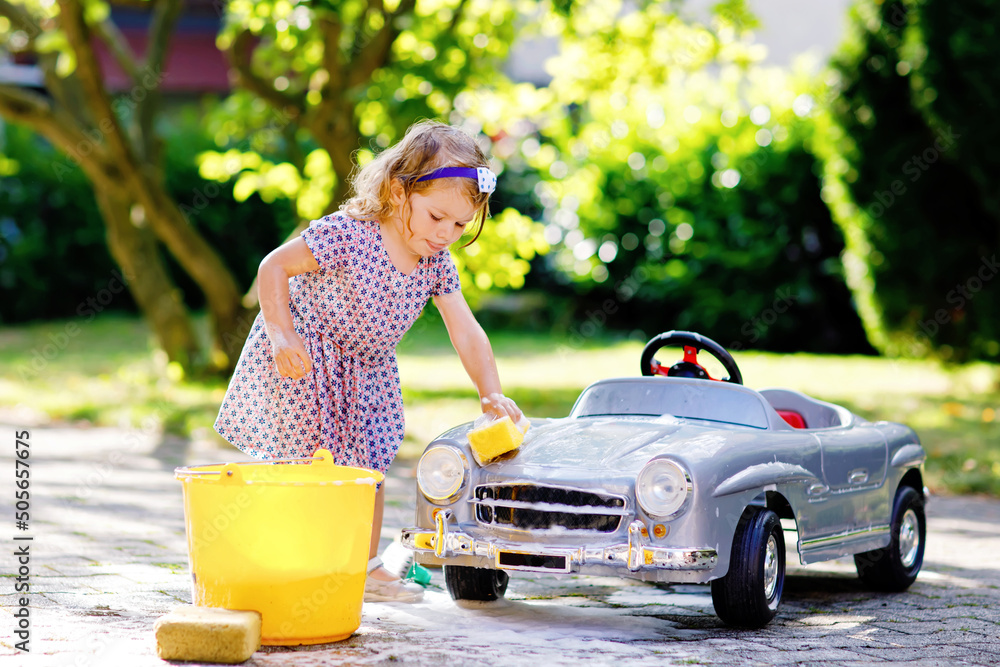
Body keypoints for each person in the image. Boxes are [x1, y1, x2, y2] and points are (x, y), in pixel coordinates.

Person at [214, 120, 523, 603]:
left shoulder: (435, 262)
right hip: (311, 358)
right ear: (399, 192)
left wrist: (490, 391)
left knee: (370, 469)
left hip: (369, 371)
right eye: (437, 217)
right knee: (312, 467)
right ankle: (297, 557)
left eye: (460, 225)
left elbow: (466, 330)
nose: (446, 234)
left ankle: (363, 564)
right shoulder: (349, 234)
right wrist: (281, 335)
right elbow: (273, 266)